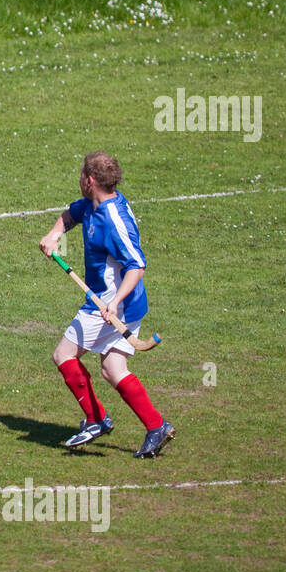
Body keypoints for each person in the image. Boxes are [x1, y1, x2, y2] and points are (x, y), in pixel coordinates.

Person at [39, 151, 174, 458]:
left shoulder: (114, 220)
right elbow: (71, 214)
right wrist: (53, 235)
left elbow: (137, 265)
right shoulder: (92, 204)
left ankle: (96, 419)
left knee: (63, 354)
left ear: (89, 180)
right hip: (119, 302)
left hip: (111, 305)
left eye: (80, 175)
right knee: (113, 368)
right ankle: (156, 426)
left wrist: (114, 302)